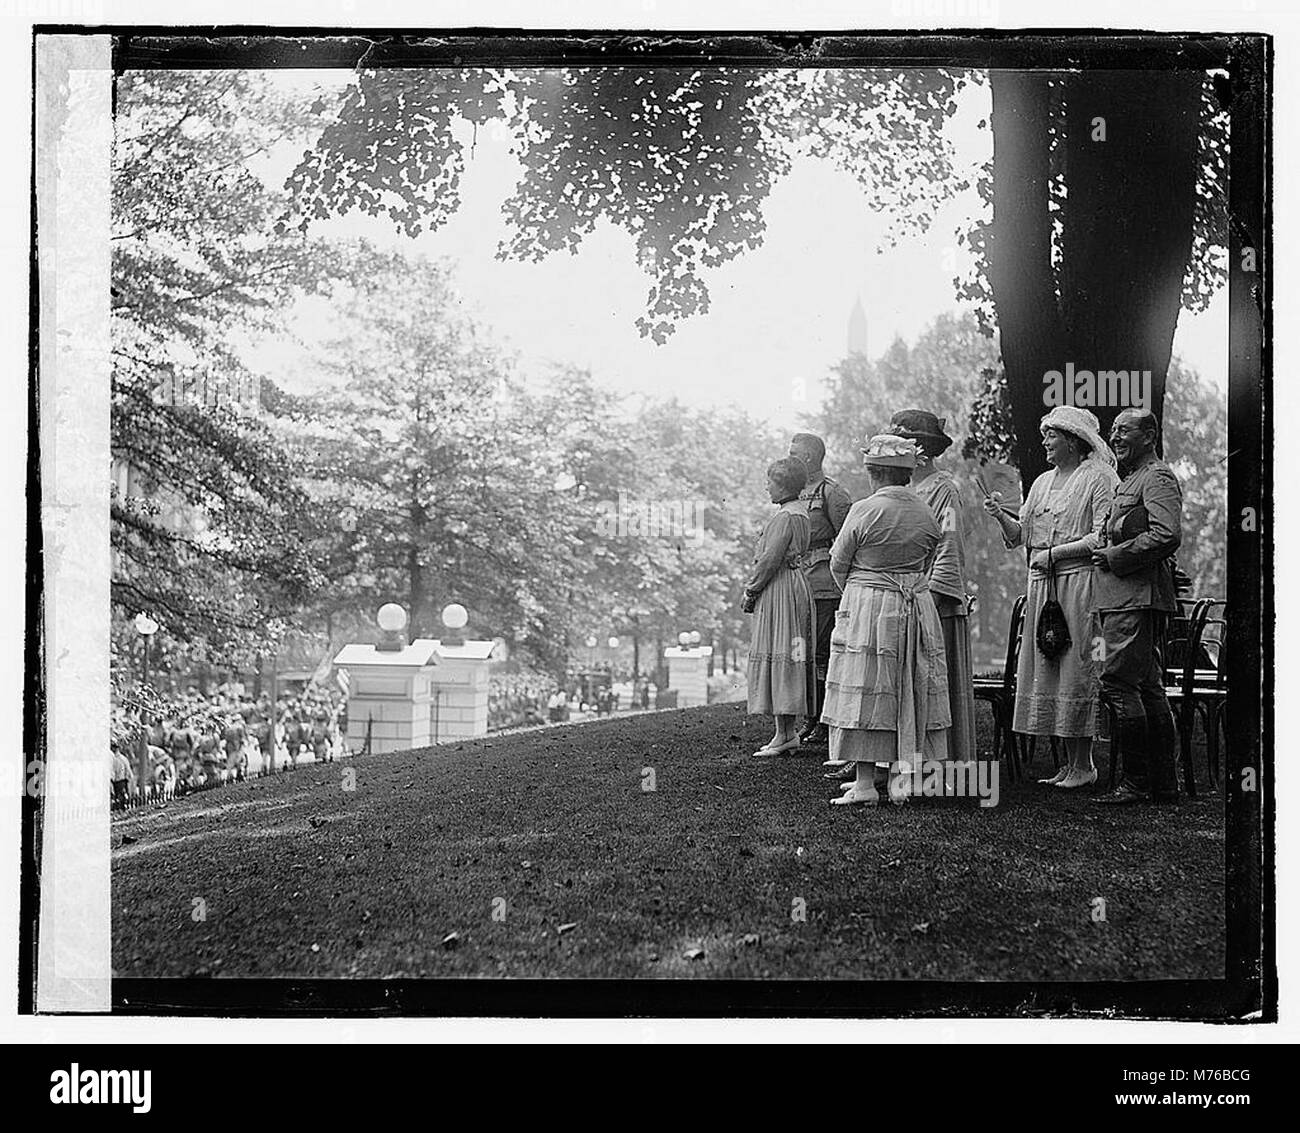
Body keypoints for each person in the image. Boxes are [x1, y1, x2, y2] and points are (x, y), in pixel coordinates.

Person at [983, 406, 1120, 788]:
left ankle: (1084, 763)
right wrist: (999, 515)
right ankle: (1067, 763)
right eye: (1044, 435)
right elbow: (1020, 535)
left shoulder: (1099, 478)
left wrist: (1054, 555)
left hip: (1080, 585)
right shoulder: (1043, 481)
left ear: (1074, 441)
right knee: (1051, 664)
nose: (1044, 441)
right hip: (1043, 585)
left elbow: (1101, 536)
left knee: (1079, 664)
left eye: (1052, 436)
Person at [822, 435, 950, 804]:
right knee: (906, 685)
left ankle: (865, 784)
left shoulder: (865, 509)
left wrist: (859, 590)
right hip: (915, 604)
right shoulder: (925, 511)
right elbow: (926, 562)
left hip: (871, 604)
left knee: (866, 686)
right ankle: (899, 778)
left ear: (873, 471)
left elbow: (838, 561)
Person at [1090, 408, 1184, 805]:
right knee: (1146, 686)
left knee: (1118, 682)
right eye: (1113, 431)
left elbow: (1167, 534)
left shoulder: (1157, 477)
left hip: (1136, 596)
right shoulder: (1132, 480)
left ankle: (1136, 783)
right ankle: (1162, 785)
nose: (1115, 437)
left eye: (1124, 430)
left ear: (1149, 435)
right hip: (1125, 596)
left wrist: (1116, 556)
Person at [890, 409, 978, 765]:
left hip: (934, 602)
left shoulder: (944, 490)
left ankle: (937, 763)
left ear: (919, 449)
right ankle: (899, 759)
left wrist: (932, 596)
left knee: (933, 681)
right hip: (908, 597)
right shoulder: (909, 490)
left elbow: (949, 543)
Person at [744, 456, 816, 755]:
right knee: (788, 652)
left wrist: (751, 590)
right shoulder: (801, 513)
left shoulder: (785, 517)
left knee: (781, 650)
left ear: (784, 484)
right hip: (796, 583)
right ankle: (784, 732)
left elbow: (769, 560)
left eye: (770, 482)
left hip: (780, 589)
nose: (767, 487)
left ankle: (785, 733)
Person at [788, 432, 853, 747]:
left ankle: (825, 722)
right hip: (799, 582)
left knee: (821, 654)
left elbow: (847, 540)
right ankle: (810, 718)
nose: (789, 458)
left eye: (794, 453)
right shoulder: (794, 493)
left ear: (810, 458)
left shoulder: (832, 493)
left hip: (825, 584)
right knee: (803, 654)